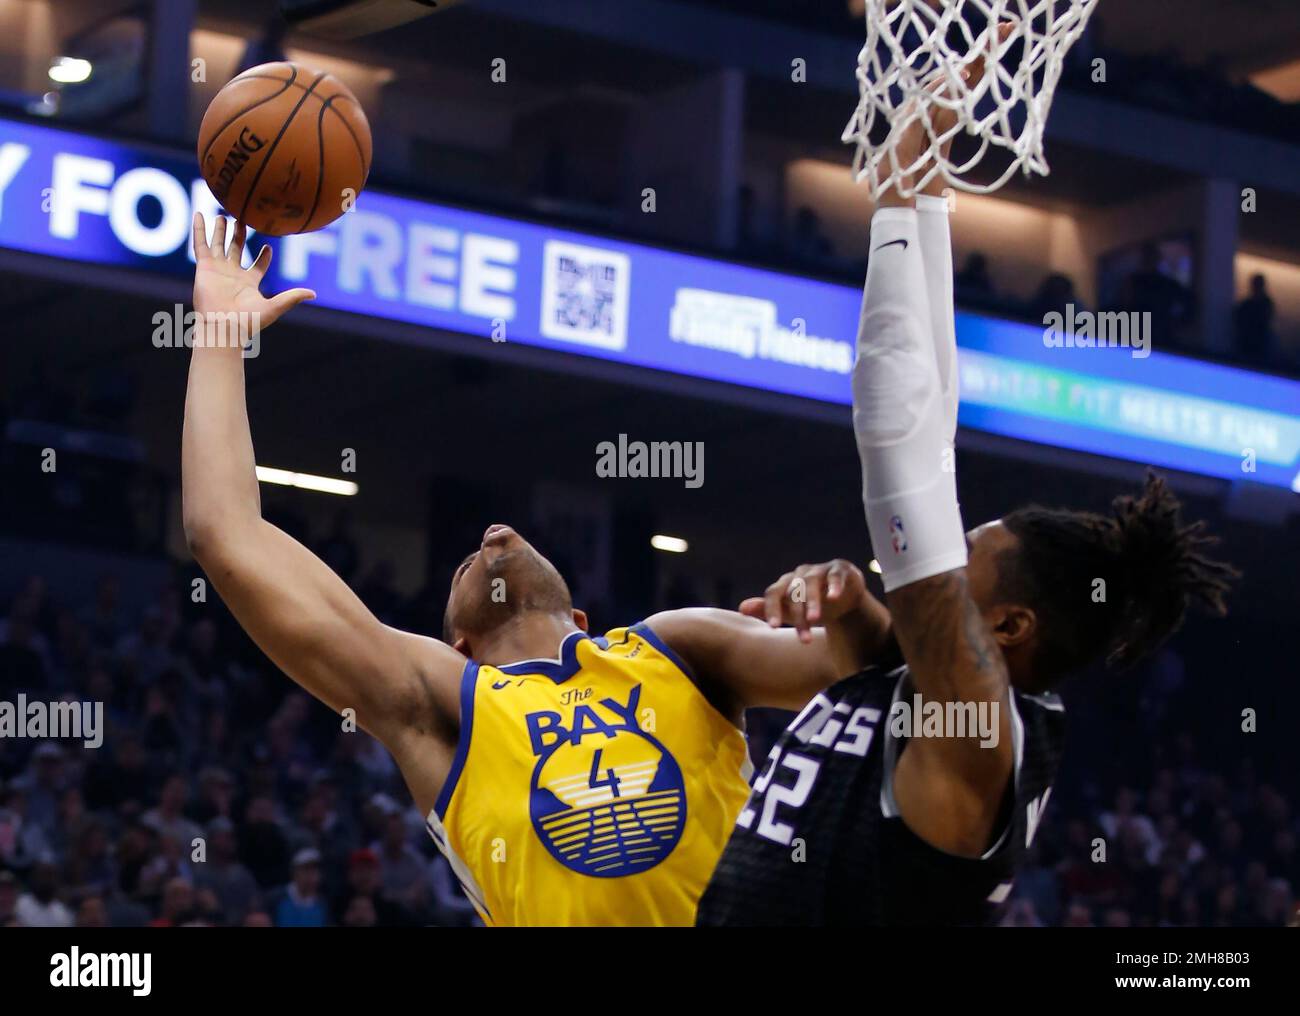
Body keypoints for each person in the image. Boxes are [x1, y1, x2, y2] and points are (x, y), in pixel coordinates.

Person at [182, 214, 894, 926]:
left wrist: (851, 604)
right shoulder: (443, 704)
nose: (494, 532)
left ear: (583, 618)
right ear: (459, 640)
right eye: (468, 557)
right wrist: (217, 337)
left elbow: (864, 672)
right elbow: (226, 534)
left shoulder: (674, 647)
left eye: (505, 534)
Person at [697, 39, 1237, 927]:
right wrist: (925, 192)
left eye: (965, 560)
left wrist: (902, 186)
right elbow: (928, 444)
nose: (935, 567)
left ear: (1006, 628)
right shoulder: (942, 688)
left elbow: (899, 441)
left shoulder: (976, 732)